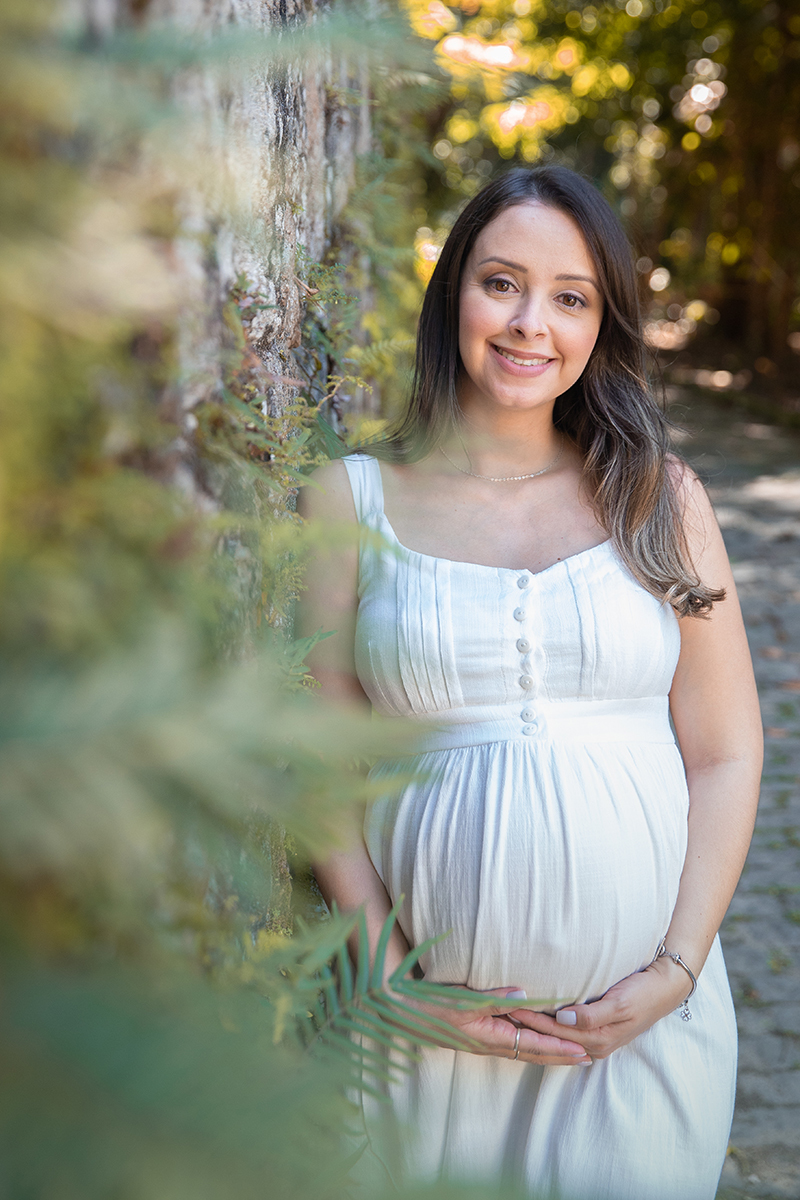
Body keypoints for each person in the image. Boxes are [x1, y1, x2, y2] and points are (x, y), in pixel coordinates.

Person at [296, 165, 762, 1200]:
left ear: (601, 323)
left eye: (569, 297)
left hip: (636, 1040)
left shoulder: (657, 497)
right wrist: (383, 976)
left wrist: (675, 972)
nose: (528, 324)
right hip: (418, 1039)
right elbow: (313, 754)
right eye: (500, 282)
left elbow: (726, 751)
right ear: (452, 290)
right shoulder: (352, 500)